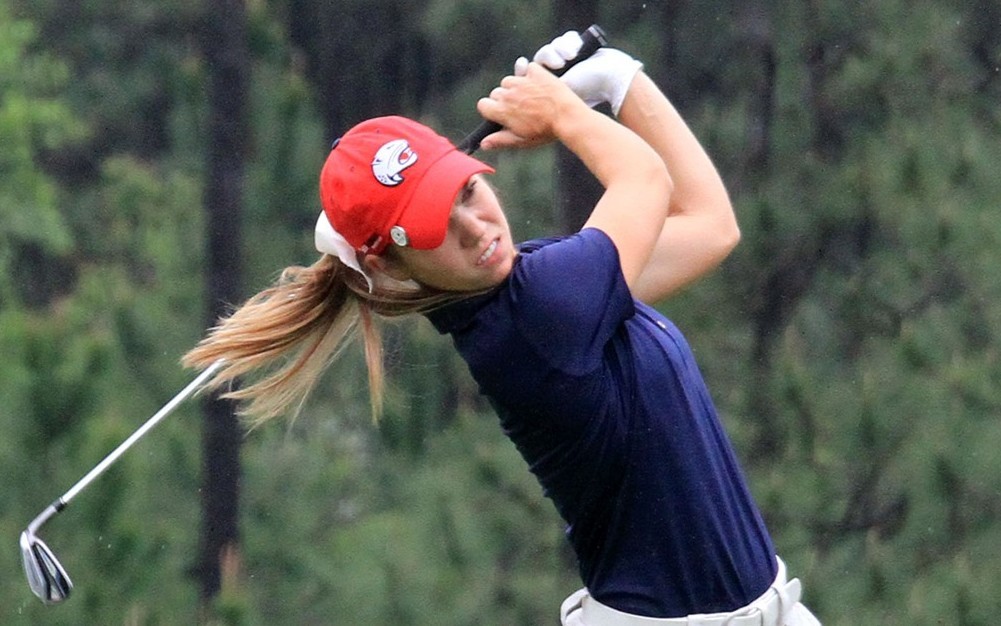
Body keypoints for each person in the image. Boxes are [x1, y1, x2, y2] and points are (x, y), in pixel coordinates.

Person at [183, 31, 821, 626]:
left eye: (463, 190)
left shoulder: (536, 284)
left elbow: (710, 227)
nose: (476, 227)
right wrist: (576, 109)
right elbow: (646, 179)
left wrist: (622, 84)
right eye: (435, 225)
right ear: (388, 261)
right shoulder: (541, 314)